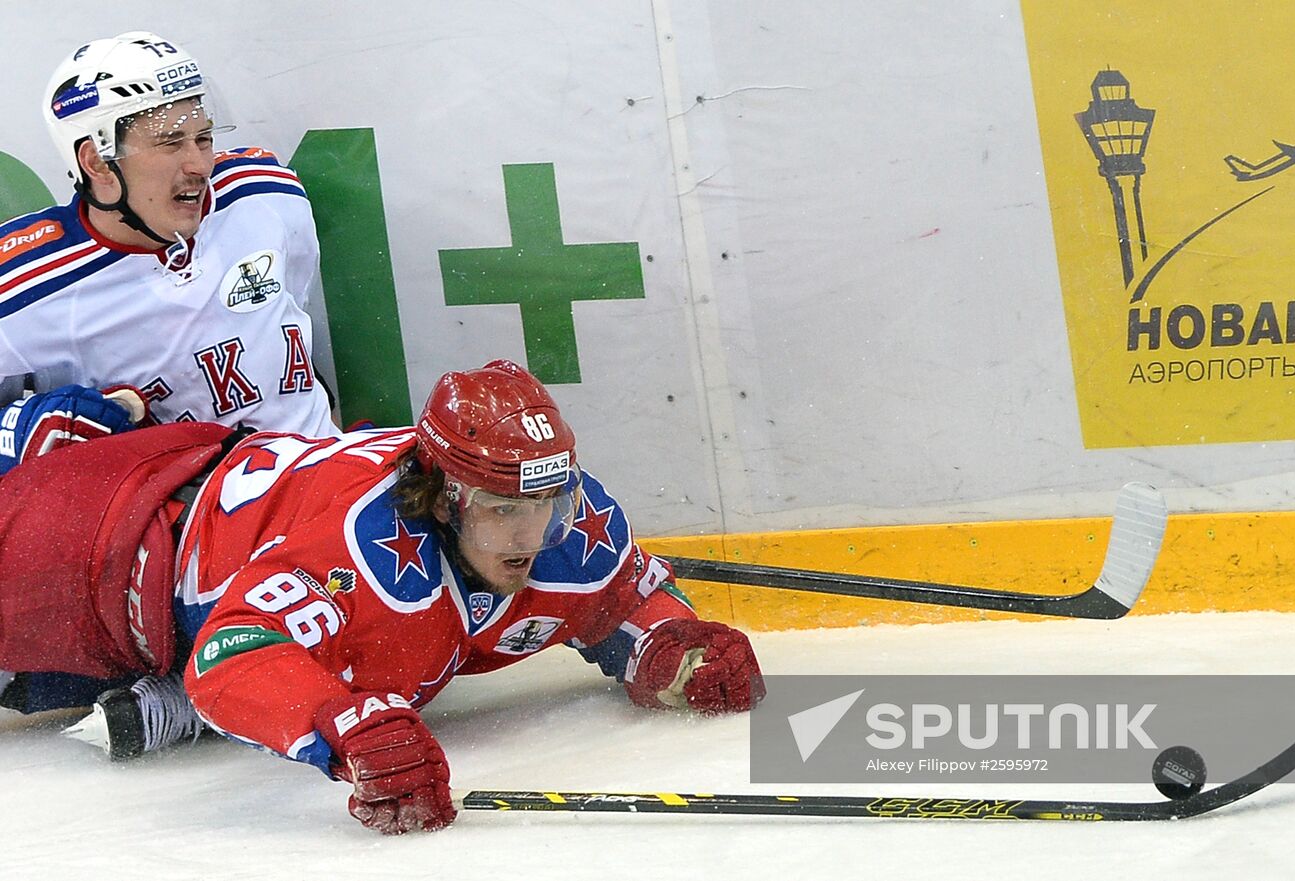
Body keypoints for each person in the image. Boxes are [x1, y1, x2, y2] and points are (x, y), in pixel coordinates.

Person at [0, 360, 765, 834]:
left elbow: (621, 595)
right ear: (440, 498)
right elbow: (231, 650)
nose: (532, 535)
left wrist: (668, 640)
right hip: (108, 550)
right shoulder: (358, 555)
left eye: (548, 503)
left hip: (207, 506)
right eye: (502, 509)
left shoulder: (563, 519)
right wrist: (343, 726)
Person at [0, 31, 337, 727]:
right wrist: (28, 426)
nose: (197, 166)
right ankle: (201, 684)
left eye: (203, 136)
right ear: (97, 159)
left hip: (328, 490)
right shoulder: (32, 284)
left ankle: (194, 694)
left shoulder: (264, 194)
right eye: (168, 142)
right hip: (186, 547)